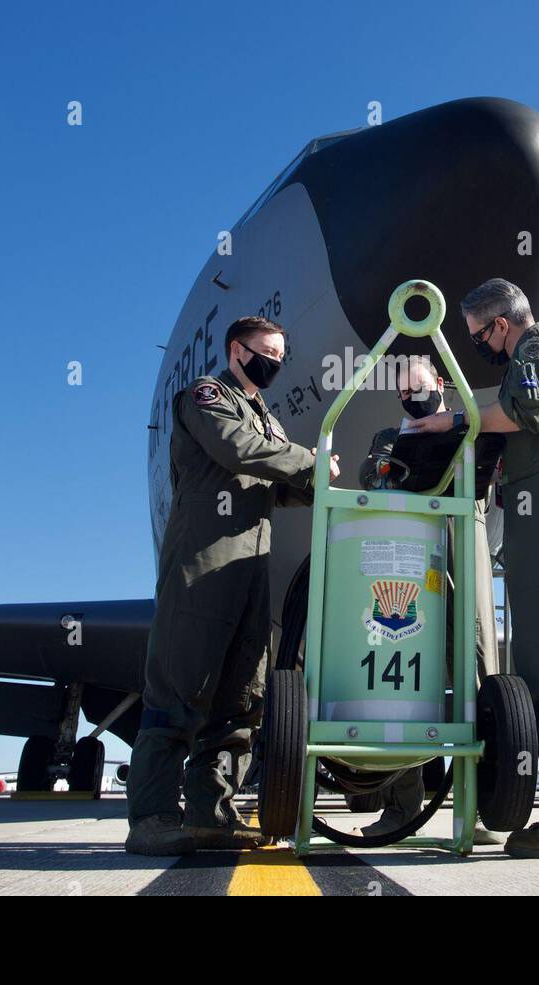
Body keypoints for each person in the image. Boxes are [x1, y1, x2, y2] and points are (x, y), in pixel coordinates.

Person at [404, 278, 539, 858]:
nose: (481, 345)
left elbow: (531, 408)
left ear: (501, 324)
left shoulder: (537, 345)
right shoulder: (535, 352)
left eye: (480, 335)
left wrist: (452, 420)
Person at [125, 316, 339, 856]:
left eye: (280, 355)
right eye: (266, 352)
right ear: (236, 351)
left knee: (243, 694)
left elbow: (278, 489)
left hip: (251, 565)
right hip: (204, 560)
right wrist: (308, 462)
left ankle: (210, 814)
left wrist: (320, 480)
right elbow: (237, 450)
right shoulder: (207, 396)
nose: (274, 363)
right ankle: (150, 817)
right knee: (179, 686)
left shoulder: (266, 419)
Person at [355, 354, 502, 843]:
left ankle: (477, 805)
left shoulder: (471, 427)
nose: (409, 397)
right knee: (402, 671)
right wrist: (396, 457)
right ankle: (401, 806)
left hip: (464, 541)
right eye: (401, 392)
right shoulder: (388, 438)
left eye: (416, 387)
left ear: (440, 383)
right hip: (408, 549)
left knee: (476, 664)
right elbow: (369, 478)